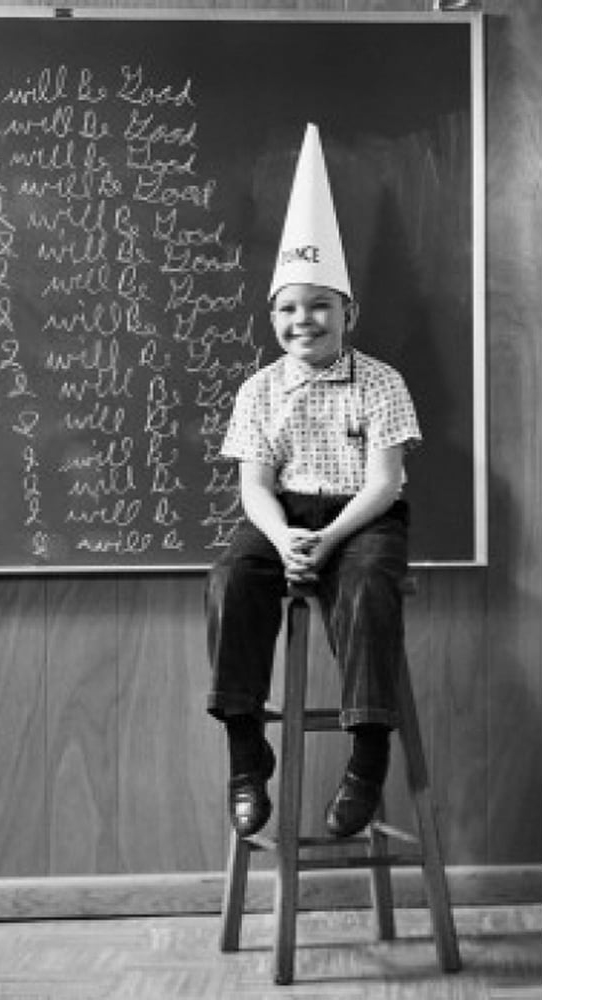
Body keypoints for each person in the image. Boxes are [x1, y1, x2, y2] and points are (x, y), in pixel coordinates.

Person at [205, 124, 421, 840]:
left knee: (366, 586)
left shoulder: (381, 382)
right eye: (291, 308)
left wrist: (327, 539)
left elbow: (385, 483)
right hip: (281, 517)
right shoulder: (259, 390)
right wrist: (285, 540)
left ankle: (366, 759)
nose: (306, 319)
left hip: (361, 518)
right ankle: (245, 756)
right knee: (233, 576)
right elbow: (254, 486)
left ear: (348, 314)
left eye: (321, 305)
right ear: (273, 318)